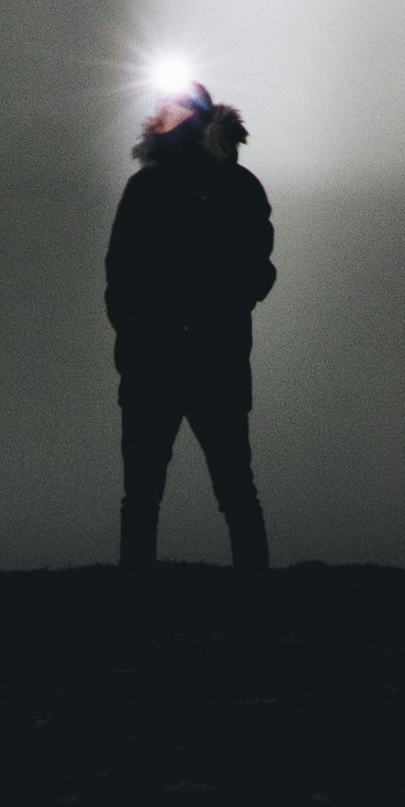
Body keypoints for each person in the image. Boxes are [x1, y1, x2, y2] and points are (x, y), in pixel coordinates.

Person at [104, 83, 275, 574]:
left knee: (227, 488)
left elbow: (257, 266)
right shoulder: (153, 187)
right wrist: (135, 331)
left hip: (200, 360)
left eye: (170, 106)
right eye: (158, 107)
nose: (160, 113)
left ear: (196, 117)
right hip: (166, 360)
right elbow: (119, 271)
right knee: (150, 493)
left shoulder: (232, 185)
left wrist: (214, 311)